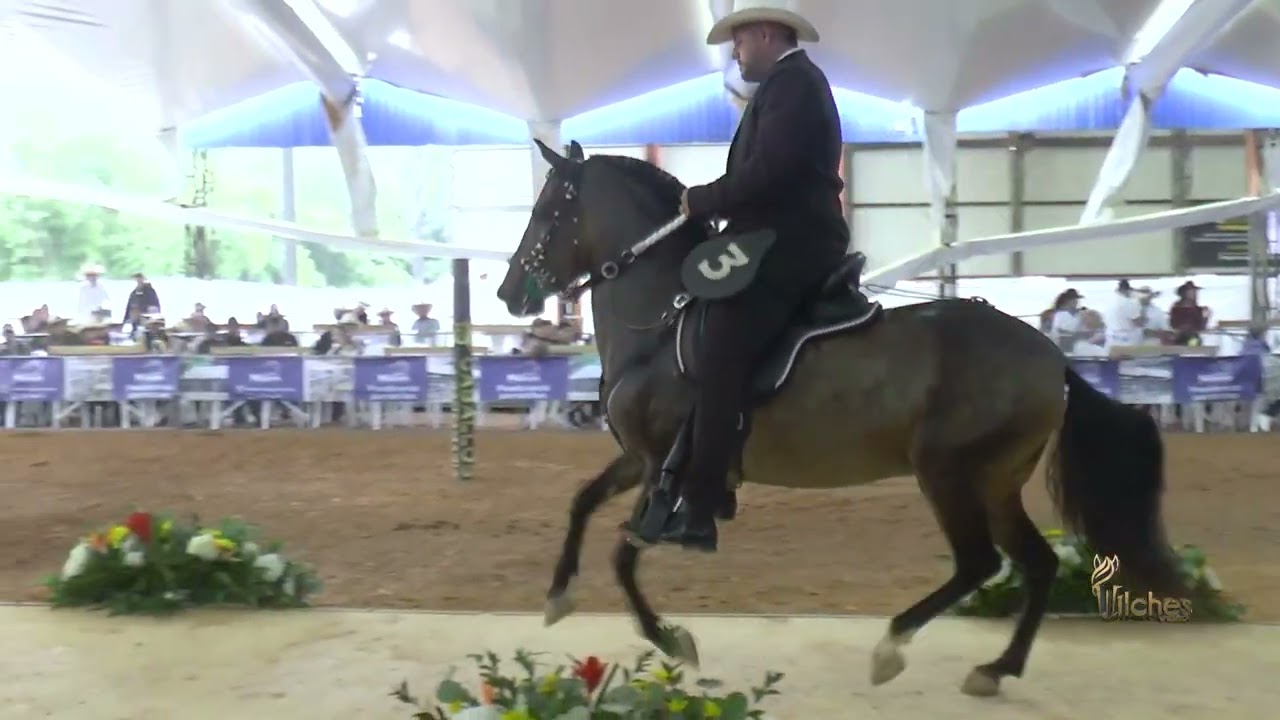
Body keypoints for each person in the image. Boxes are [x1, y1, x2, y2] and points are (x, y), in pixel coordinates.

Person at [628, 1, 856, 552]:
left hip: (791, 245)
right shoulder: (788, 85)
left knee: (721, 349)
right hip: (774, 238)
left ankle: (704, 505)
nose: (735, 52)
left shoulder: (795, 85)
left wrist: (701, 201)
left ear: (764, 33)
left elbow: (769, 173)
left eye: (739, 41)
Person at [1169, 281, 1209, 346]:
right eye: (1192, 291)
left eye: (1195, 291)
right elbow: (1173, 325)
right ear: (1184, 293)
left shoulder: (1198, 309)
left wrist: (1205, 317)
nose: (1195, 293)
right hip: (1180, 339)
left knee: (1194, 344)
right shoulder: (1177, 308)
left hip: (1193, 339)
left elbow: (1201, 327)